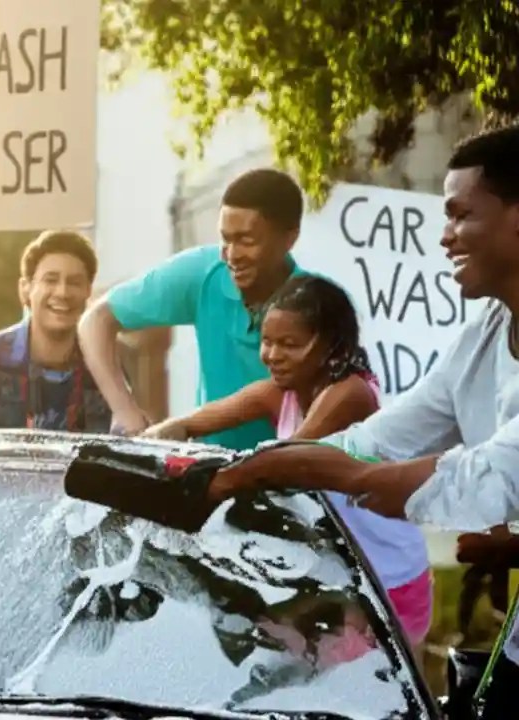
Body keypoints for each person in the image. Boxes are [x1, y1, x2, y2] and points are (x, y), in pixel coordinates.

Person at [207, 124, 519, 718]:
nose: (445, 237)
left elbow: (479, 478)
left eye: (461, 215)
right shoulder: (481, 336)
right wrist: (266, 467)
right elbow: (378, 442)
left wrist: (296, 469)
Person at [140, 275, 432, 649]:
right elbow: (189, 423)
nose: (272, 355)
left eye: (289, 344)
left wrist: (207, 488)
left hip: (388, 578)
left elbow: (287, 462)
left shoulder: (352, 395)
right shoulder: (279, 393)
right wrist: (156, 440)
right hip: (339, 573)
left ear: (331, 347)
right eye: (266, 341)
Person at [78, 168, 309, 448]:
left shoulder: (319, 304)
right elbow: (96, 319)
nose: (232, 255)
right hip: (212, 471)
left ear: (289, 239)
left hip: (290, 474)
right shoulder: (203, 272)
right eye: (226, 239)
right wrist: (124, 410)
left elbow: (274, 398)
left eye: (246, 241)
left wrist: (184, 425)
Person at [0, 229, 113, 432]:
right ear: (25, 288)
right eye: (51, 280)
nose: (63, 292)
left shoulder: (106, 363)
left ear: (88, 291)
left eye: (74, 283)